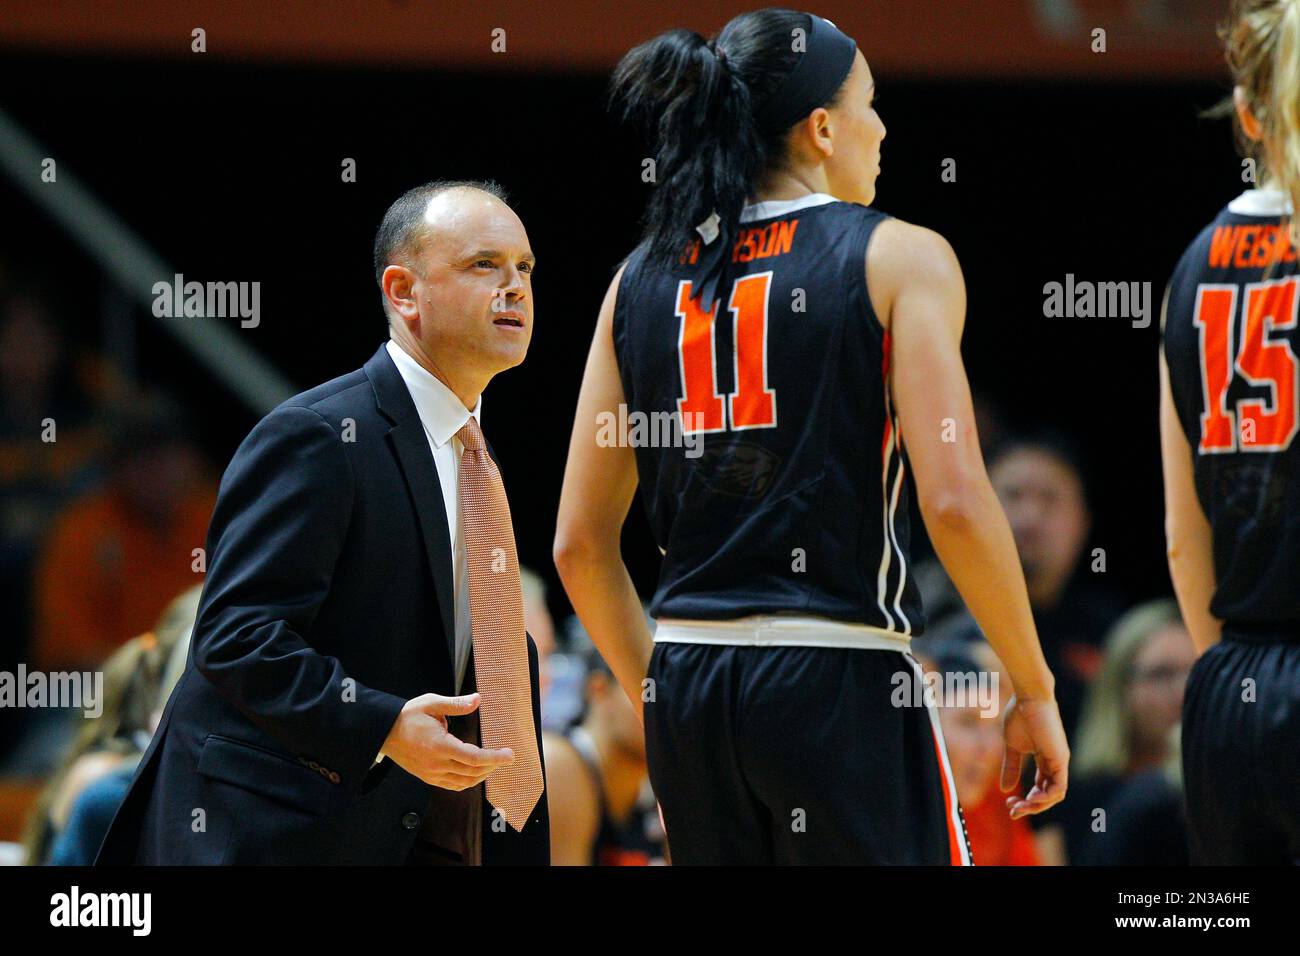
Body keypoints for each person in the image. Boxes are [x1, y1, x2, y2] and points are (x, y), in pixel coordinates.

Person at [553, 9, 1067, 864]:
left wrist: (664, 692)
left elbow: (577, 545)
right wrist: (1033, 685)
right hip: (839, 670)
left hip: (688, 679)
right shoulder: (901, 257)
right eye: (871, 102)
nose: (884, 126)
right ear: (823, 127)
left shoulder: (635, 281)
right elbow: (954, 499)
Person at [95, 180, 549, 865]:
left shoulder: (473, 450)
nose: (514, 286)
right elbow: (236, 638)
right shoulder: (319, 435)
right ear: (403, 292)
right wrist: (383, 725)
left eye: (525, 267)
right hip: (271, 836)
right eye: (484, 264)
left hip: (412, 830)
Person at [1160, 0, 1300, 865]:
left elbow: (1184, 537)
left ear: (1248, 114)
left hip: (1229, 690)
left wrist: (1234, 676)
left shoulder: (1191, 265)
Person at [1032, 599, 1194, 865]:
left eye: (1195, 673)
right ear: (1118, 686)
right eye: (1162, 674)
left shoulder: (1216, 791)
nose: (1182, 692)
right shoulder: (1073, 796)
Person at [543, 647, 666, 866]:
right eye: (652, 689)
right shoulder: (558, 764)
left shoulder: (665, 786)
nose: (666, 708)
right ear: (599, 689)